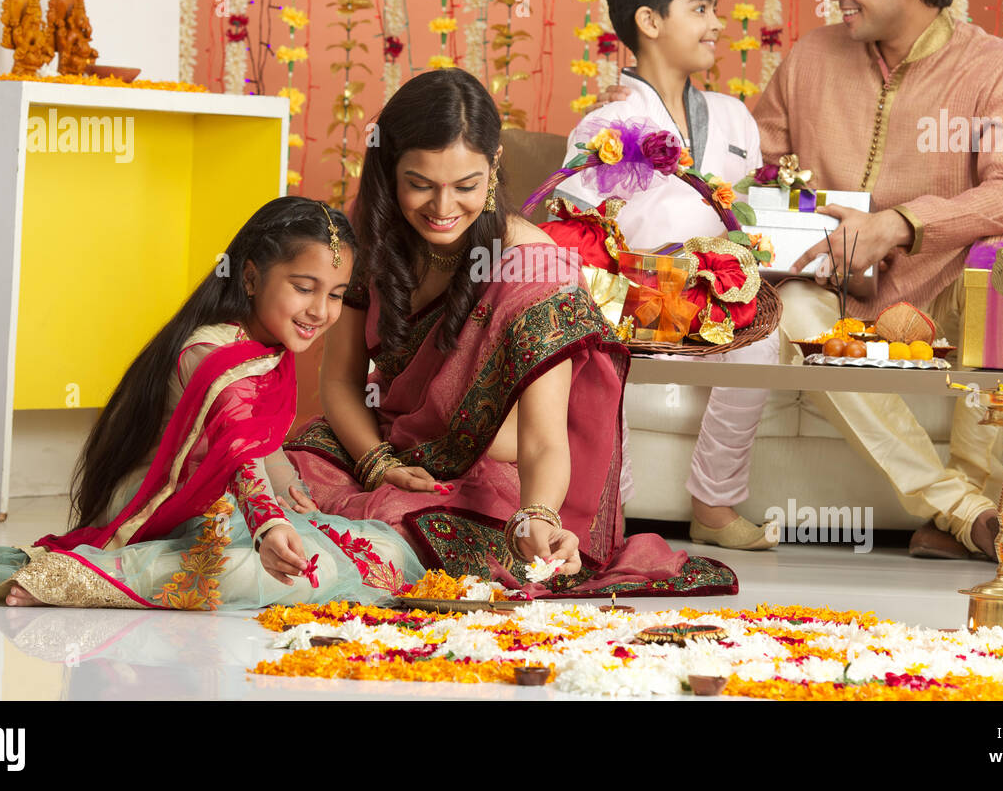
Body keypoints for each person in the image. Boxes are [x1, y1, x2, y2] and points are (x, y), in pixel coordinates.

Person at [280, 68, 737, 597]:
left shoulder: (534, 268)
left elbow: (545, 437)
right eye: (420, 185)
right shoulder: (371, 230)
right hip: (382, 447)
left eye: (466, 186)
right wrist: (377, 463)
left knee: (387, 546)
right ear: (390, 170)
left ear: (494, 165)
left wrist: (537, 515)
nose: (443, 208)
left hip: (483, 482)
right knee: (266, 491)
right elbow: (338, 381)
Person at [0, 198, 425, 607]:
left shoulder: (264, 348)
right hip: (154, 509)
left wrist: (296, 502)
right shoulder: (207, 349)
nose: (321, 311)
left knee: (382, 552)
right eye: (304, 287)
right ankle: (77, 578)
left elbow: (259, 446)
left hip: (222, 506)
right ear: (252, 277)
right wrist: (267, 523)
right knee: (281, 570)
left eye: (334, 294)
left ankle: (118, 572)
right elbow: (235, 446)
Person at [755, 0, 1003, 559]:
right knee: (791, 310)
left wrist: (901, 224)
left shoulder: (1000, 71)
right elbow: (759, 171)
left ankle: (967, 502)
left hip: (943, 291)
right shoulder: (810, 59)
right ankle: (967, 512)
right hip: (842, 302)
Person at [555, 0, 779, 552]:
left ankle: (714, 503)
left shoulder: (735, 118)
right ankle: (609, 512)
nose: (718, 24)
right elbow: (578, 238)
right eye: (701, 9)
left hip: (721, 297)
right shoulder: (604, 126)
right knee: (595, 340)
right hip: (634, 300)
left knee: (766, 339)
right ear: (649, 22)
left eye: (715, 8)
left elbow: (754, 208)